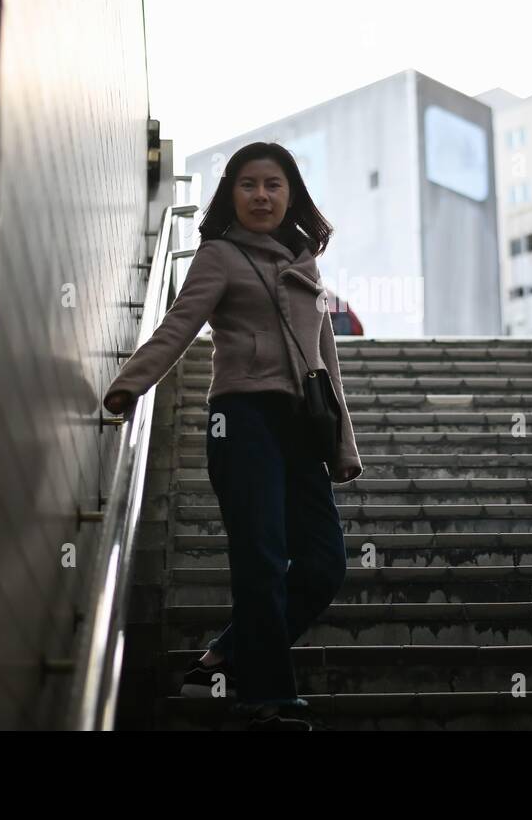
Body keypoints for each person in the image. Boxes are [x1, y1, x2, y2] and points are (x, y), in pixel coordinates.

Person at [102, 141, 361, 731]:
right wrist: (130, 385)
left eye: (273, 185)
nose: (262, 195)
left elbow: (327, 357)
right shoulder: (217, 256)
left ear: (290, 193)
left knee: (324, 565)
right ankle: (266, 697)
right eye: (249, 185)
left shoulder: (305, 263)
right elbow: (178, 326)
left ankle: (228, 652)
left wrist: (343, 446)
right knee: (263, 558)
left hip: (301, 427)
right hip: (241, 422)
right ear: (232, 194)